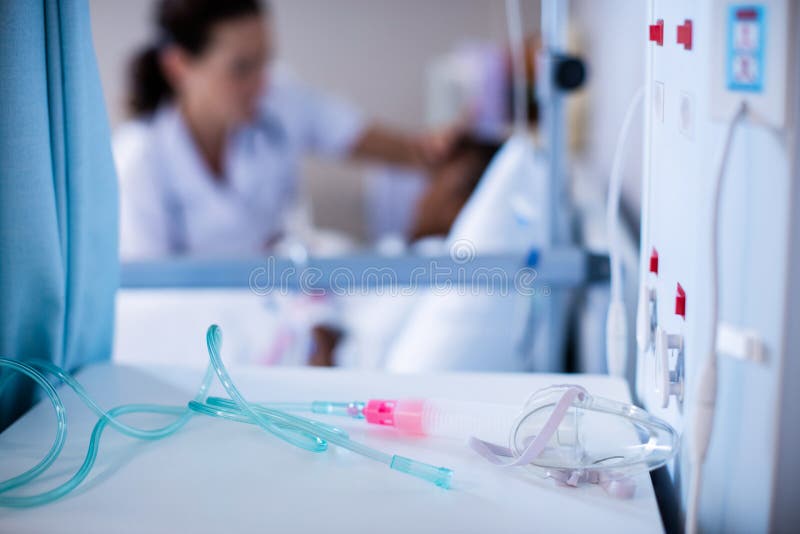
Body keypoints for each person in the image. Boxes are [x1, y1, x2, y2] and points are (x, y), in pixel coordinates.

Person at [115, 0, 456, 259]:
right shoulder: (140, 158)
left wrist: (440, 147)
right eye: (241, 68)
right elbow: (153, 293)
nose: (261, 83)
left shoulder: (279, 101)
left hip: (277, 307)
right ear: (179, 66)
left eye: (265, 61)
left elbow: (383, 144)